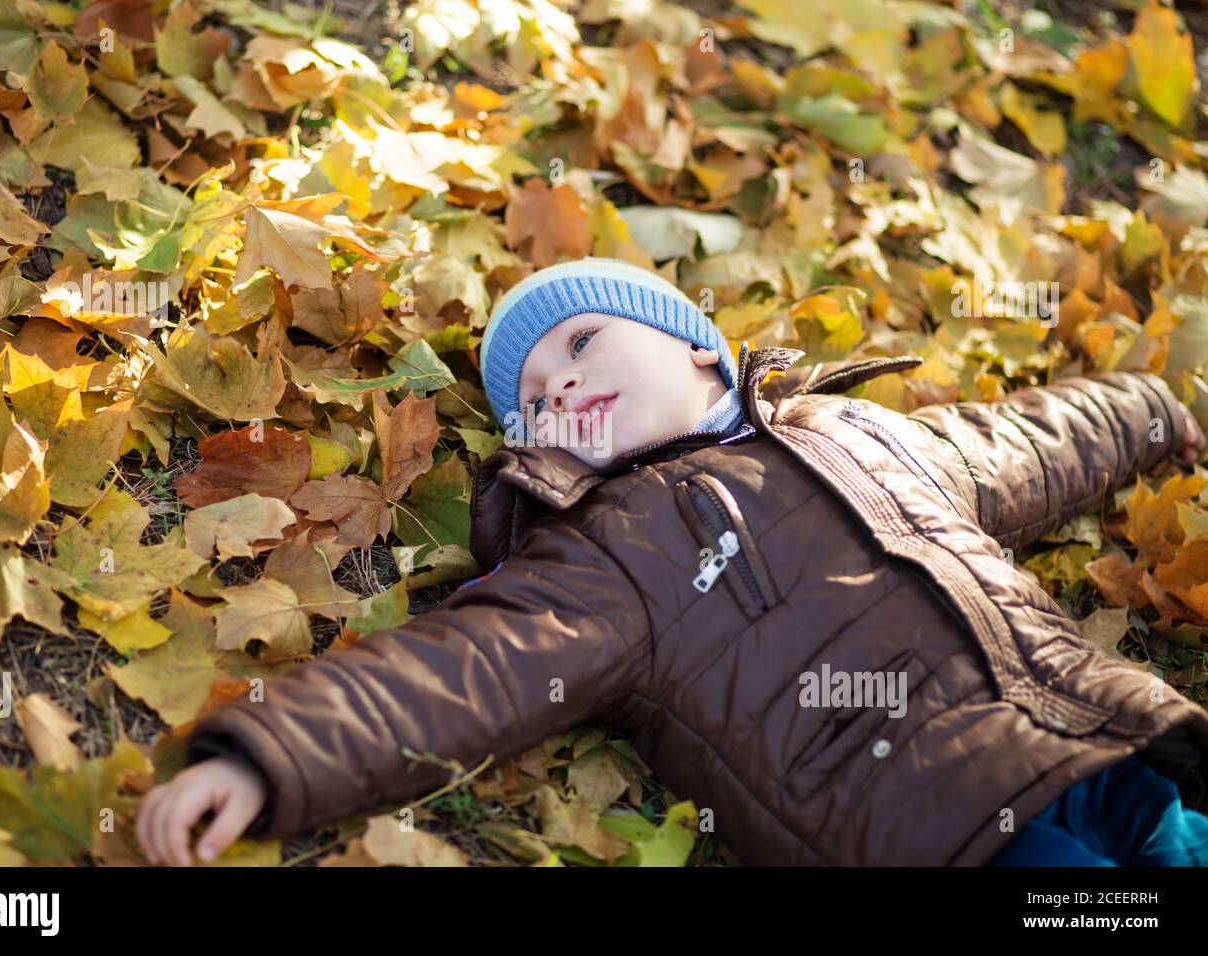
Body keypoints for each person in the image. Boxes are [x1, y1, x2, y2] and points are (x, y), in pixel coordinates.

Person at [135, 256, 1208, 867]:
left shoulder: (858, 431)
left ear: (698, 346)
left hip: (1102, 733)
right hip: (939, 827)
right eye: (534, 403)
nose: (555, 389)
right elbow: (455, 674)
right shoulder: (609, 558)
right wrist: (266, 756)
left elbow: (1026, 442)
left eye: (580, 344)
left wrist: (1151, 411)